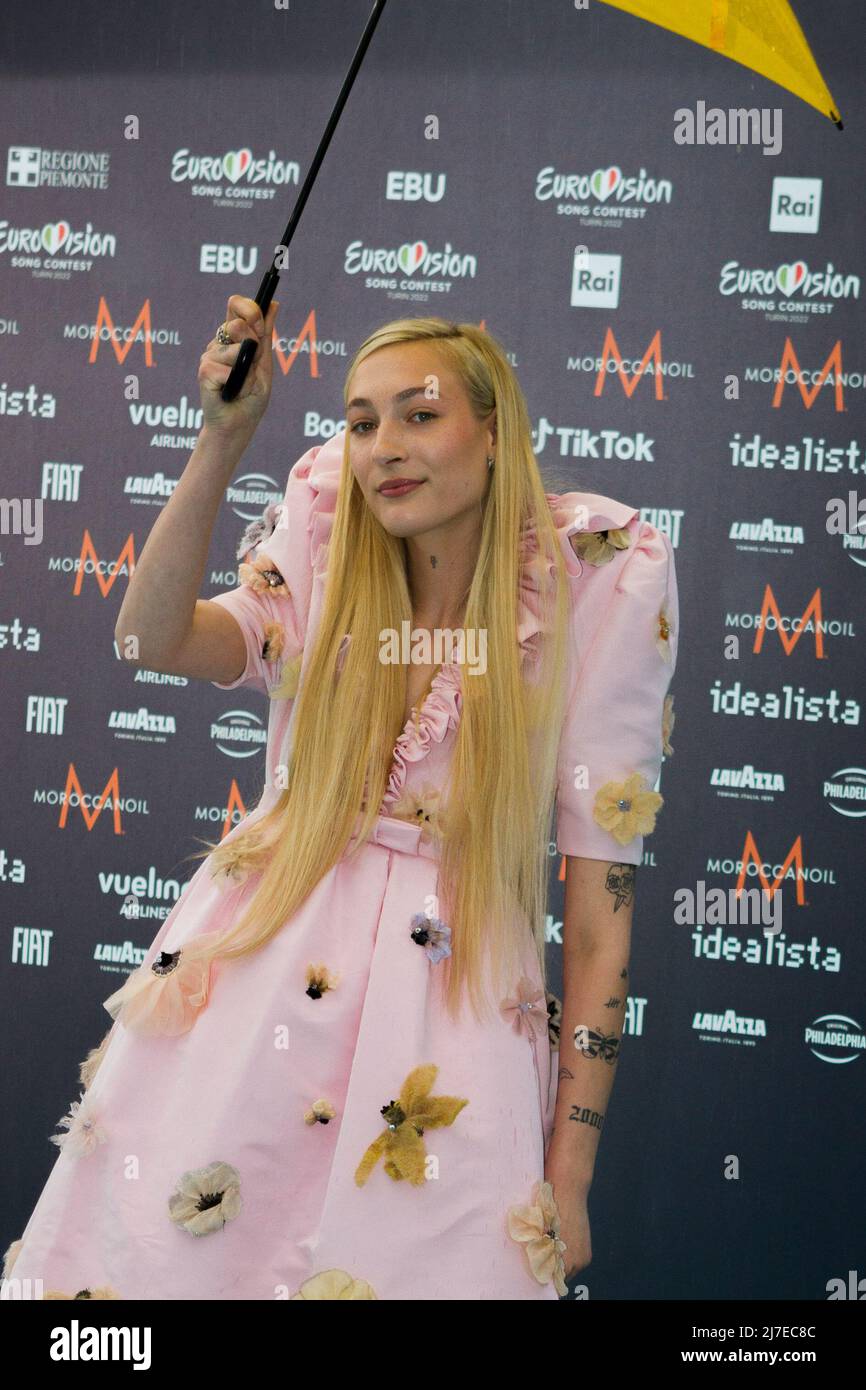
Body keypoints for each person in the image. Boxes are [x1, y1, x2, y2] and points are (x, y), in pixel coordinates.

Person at [5, 303, 678, 1301]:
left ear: (493, 434)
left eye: (418, 415)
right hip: (252, 983)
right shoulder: (323, 530)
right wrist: (217, 443)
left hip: (449, 1024)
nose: (382, 449)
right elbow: (150, 638)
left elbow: (594, 932)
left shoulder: (601, 578)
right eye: (361, 422)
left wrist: (567, 1178)